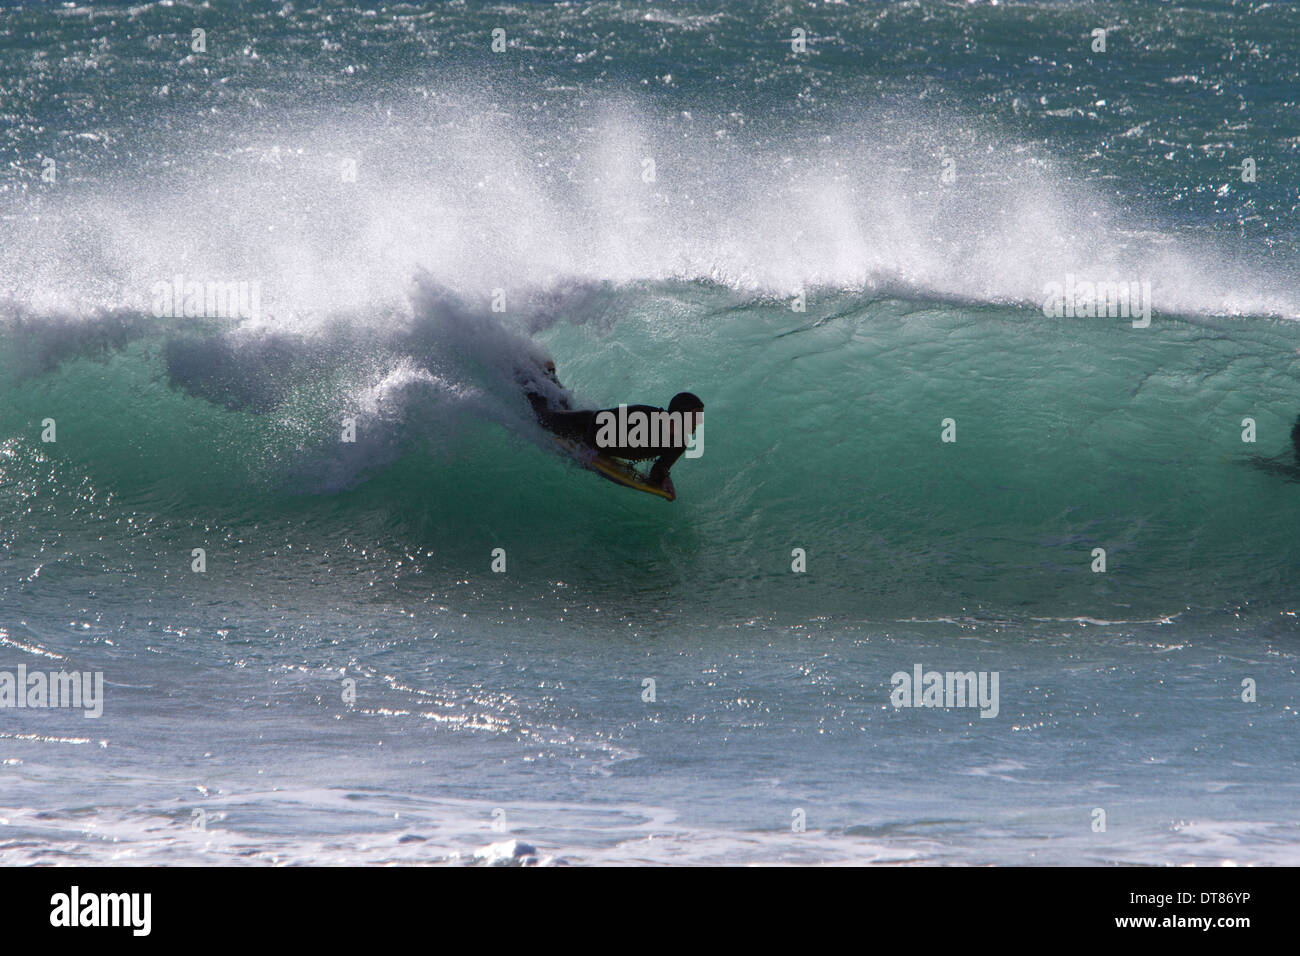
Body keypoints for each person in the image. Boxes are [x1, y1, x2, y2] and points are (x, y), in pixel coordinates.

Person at [523, 360, 703, 489]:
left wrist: (663, 479)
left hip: (600, 440)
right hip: (587, 424)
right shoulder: (646, 416)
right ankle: (524, 373)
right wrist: (587, 449)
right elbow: (600, 422)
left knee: (562, 407)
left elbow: (660, 469)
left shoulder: (679, 443)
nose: (699, 422)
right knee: (542, 417)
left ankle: (549, 375)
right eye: (695, 417)